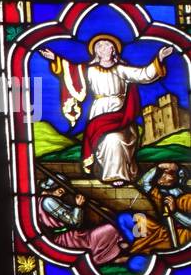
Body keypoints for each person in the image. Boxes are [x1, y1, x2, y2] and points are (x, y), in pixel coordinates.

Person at [40, 36, 175, 186]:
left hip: (121, 112)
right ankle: (104, 171)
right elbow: (72, 72)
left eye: (108, 46)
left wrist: (159, 58)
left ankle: (119, 174)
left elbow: (144, 74)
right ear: (96, 51)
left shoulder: (121, 69)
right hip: (100, 111)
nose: (104, 49)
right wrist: (56, 59)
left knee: (115, 139)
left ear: (114, 50)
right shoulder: (90, 71)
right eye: (100, 46)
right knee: (103, 141)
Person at [38, 181, 127, 266]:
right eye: (60, 191)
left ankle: (112, 254)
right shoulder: (48, 201)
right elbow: (75, 222)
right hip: (68, 241)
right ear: (51, 188)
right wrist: (79, 206)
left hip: (74, 236)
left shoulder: (44, 200)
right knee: (112, 228)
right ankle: (101, 258)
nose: (61, 194)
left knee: (111, 228)